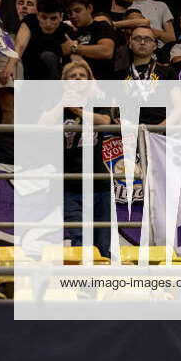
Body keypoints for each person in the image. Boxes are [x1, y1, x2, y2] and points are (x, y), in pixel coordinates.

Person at [60, 59, 113, 256]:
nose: (77, 79)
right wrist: (63, 103)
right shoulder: (57, 105)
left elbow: (105, 121)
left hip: (99, 183)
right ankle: (82, 276)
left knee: (102, 244)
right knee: (79, 239)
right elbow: (43, 123)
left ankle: (101, 275)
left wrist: (77, 110)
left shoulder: (96, 103)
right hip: (69, 185)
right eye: (72, 76)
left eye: (82, 76)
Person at [5, 0, 74, 80]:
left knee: (48, 57)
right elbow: (20, 46)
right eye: (44, 17)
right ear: (37, 15)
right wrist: (10, 66)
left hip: (56, 81)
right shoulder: (30, 21)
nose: (48, 24)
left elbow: (74, 56)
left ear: (61, 17)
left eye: (53, 18)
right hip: (30, 77)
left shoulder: (66, 30)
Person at [116, 25, 174, 125]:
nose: (142, 42)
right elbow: (113, 107)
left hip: (158, 129)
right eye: (137, 39)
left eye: (147, 39)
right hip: (128, 130)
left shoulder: (168, 72)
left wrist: (160, 129)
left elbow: (180, 107)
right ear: (130, 44)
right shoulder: (119, 75)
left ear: (155, 45)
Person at [64, 0, 116, 80]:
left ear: (89, 8)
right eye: (69, 12)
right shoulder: (68, 32)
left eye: (77, 11)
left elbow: (106, 51)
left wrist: (74, 48)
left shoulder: (101, 26)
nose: (73, 16)